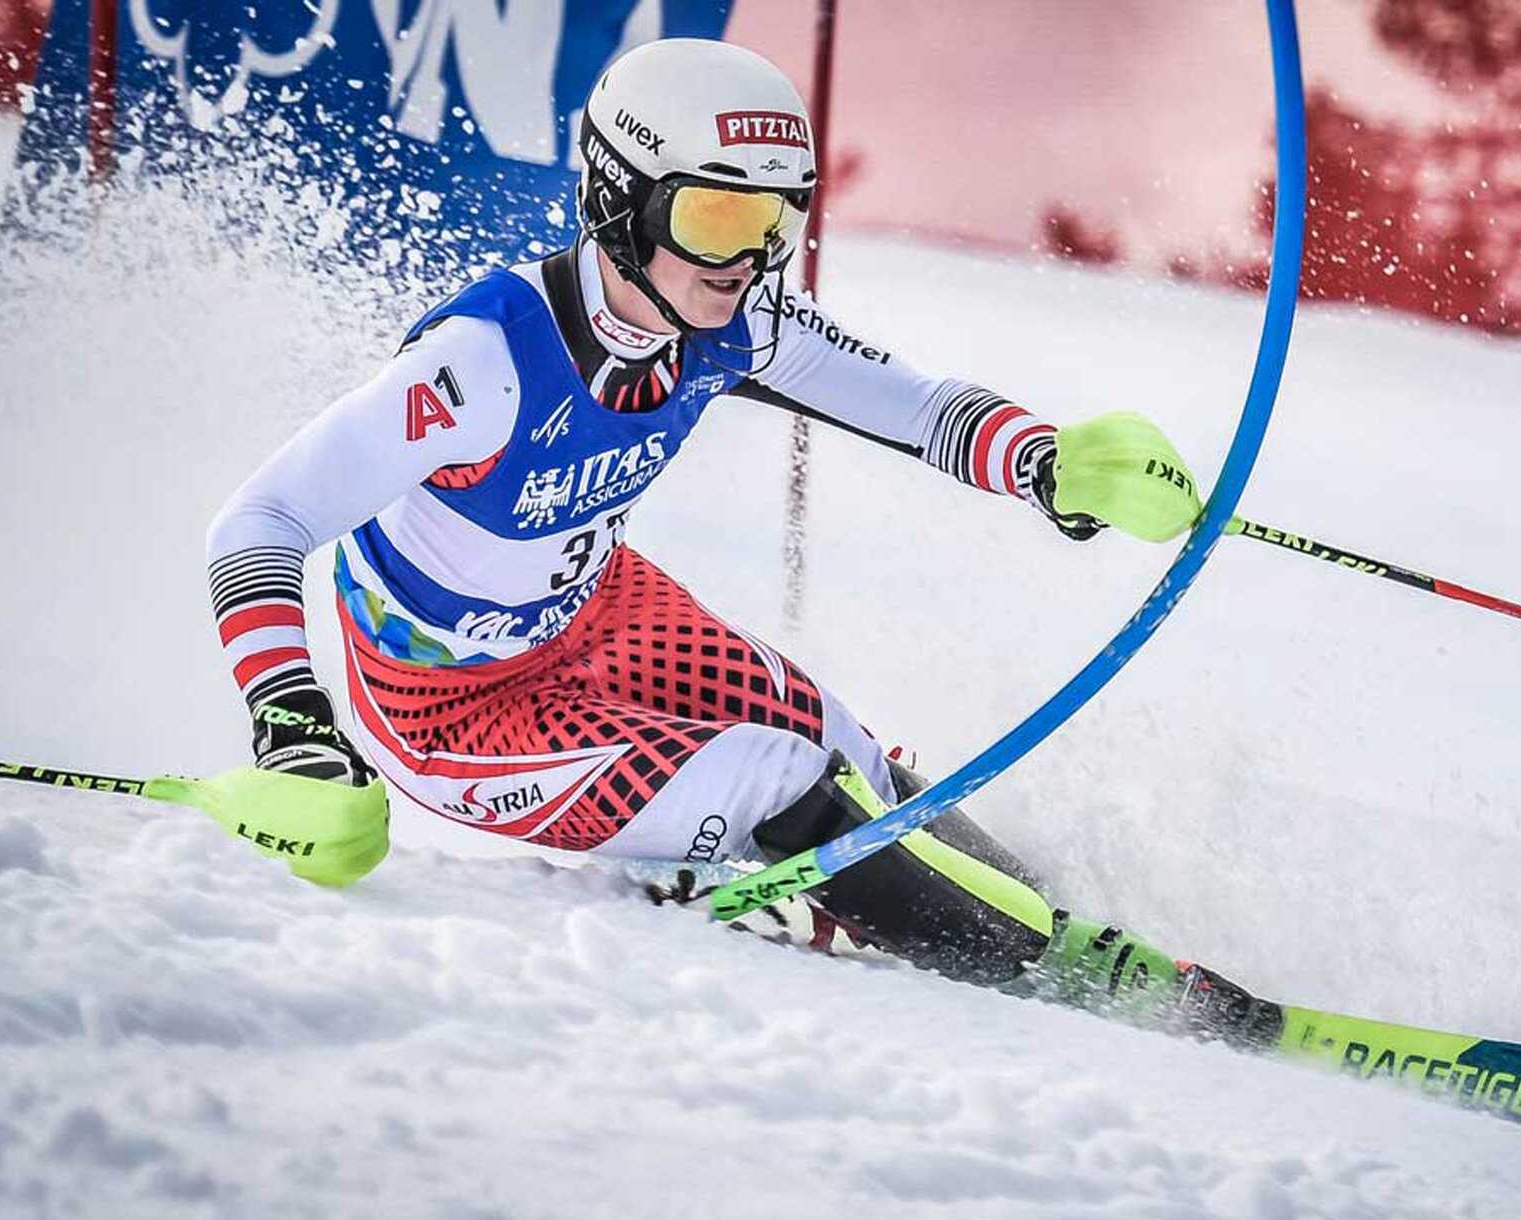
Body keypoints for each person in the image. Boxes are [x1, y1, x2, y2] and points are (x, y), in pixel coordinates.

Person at [206, 37, 1279, 1046]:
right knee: (780, 781)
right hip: (448, 706)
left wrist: (1046, 459)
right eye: (717, 221)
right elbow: (261, 521)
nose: (749, 258)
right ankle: (1064, 970)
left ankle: (1057, 917)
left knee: (838, 740)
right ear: (621, 201)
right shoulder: (482, 364)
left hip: (596, 613)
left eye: (774, 222)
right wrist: (293, 724)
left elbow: (911, 405)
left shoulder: (734, 322)